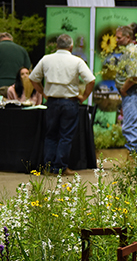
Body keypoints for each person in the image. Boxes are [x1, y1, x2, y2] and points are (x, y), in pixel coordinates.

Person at [29, 34, 95, 176]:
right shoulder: (76, 61)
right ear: (71, 46)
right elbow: (91, 80)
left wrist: (43, 92)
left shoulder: (46, 59)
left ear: (57, 45)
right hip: (69, 102)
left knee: (50, 135)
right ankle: (60, 167)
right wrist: (83, 96)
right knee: (66, 136)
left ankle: (48, 166)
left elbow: (33, 78)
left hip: (52, 101)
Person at [114, 23, 137, 154]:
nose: (117, 40)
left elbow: (134, 76)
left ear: (128, 37)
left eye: (119, 38)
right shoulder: (130, 51)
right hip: (133, 93)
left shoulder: (131, 52)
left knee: (130, 127)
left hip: (132, 93)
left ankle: (133, 161)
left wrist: (123, 90)